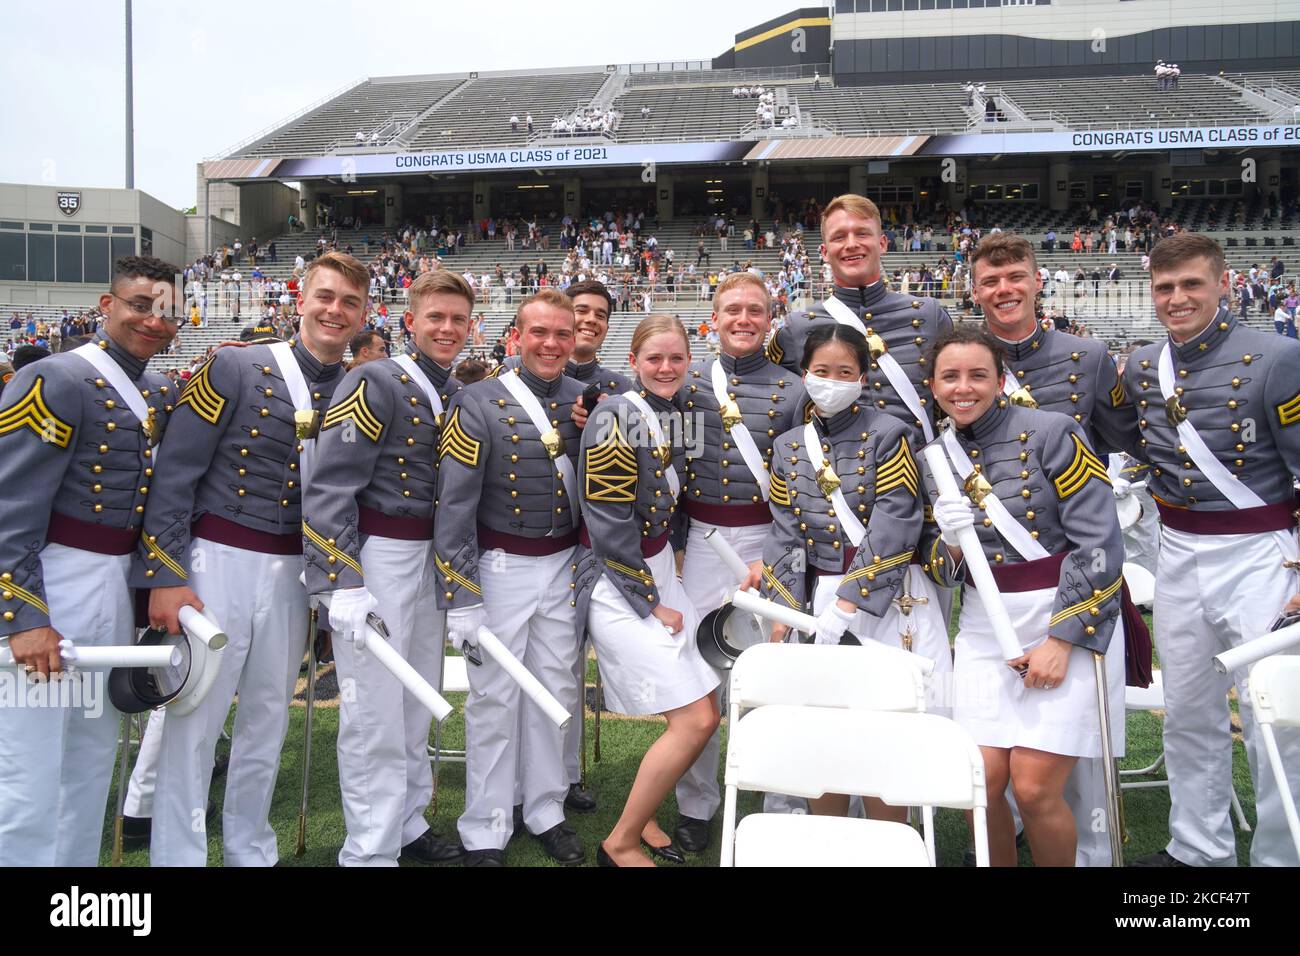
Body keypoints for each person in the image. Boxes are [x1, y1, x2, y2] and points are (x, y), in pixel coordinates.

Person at [139, 251, 368, 867]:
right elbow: (175, 475)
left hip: (296, 570)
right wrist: (166, 574)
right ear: (300, 300)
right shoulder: (236, 365)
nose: (334, 310)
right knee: (195, 715)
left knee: (268, 717)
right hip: (218, 561)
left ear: (364, 313)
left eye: (349, 302)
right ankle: (177, 856)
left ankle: (250, 849)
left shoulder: (358, 387)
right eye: (324, 296)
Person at [1123, 234, 1300, 868]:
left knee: (1275, 714)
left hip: (1262, 554)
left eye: (1192, 284)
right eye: (1165, 287)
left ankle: (1283, 859)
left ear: (1224, 284)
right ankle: (1199, 851)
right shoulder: (1144, 366)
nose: (1178, 299)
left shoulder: (1278, 357)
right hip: (1177, 550)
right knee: (1190, 708)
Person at [0, 256, 180, 866]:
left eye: (167, 310)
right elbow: (11, 509)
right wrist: (25, 618)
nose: (154, 321)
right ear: (107, 306)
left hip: (111, 586)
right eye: (139, 305)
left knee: (89, 760)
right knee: (29, 769)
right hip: (54, 582)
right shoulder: (55, 378)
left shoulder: (158, 388)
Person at [927, 325, 1125, 867]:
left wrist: (1062, 640)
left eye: (977, 375)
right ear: (933, 384)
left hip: (1063, 614)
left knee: (1035, 788)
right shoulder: (934, 457)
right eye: (950, 376)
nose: (963, 387)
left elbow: (1100, 544)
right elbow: (943, 573)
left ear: (1000, 380)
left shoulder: (1054, 430)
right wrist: (946, 540)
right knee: (979, 784)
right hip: (985, 630)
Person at [971, 233, 1140, 865]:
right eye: (990, 280)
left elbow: (1124, 436)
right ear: (975, 289)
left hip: (1077, 563)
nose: (1004, 289)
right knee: (995, 771)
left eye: (1015, 275)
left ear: (1039, 281)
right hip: (1001, 575)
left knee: (1076, 768)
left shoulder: (1088, 356)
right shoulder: (969, 361)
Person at [303, 271, 473, 867]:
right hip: (378, 557)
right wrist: (342, 581)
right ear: (410, 322)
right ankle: (368, 851)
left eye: (458, 319)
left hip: (429, 559)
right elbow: (329, 488)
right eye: (436, 318)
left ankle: (406, 823)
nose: (447, 328)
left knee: (414, 702)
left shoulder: (452, 390)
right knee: (373, 711)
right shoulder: (372, 380)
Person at [434, 289, 586, 867]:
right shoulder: (476, 400)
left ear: (574, 341)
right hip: (498, 569)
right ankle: (486, 825)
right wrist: (463, 592)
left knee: (555, 691)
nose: (551, 344)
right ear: (515, 339)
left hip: (564, 564)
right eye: (539, 333)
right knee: (494, 697)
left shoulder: (589, 398)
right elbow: (454, 504)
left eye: (562, 334)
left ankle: (545, 806)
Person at [761, 324, 937, 818]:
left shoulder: (890, 433)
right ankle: (829, 840)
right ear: (804, 374)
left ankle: (885, 843)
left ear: (862, 377)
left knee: (883, 732)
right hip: (815, 598)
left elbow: (896, 520)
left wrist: (849, 600)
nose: (832, 380)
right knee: (822, 733)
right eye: (821, 371)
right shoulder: (789, 445)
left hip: (881, 598)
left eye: (844, 372)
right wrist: (784, 610)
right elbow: (784, 533)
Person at [575, 315, 721, 866]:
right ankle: (619, 842)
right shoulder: (617, 413)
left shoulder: (682, 411)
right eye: (654, 359)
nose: (666, 368)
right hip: (621, 581)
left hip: (661, 567)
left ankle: (645, 808)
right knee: (696, 719)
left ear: (690, 362)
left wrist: (675, 566)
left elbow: (677, 495)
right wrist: (651, 599)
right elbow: (609, 519)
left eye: (676, 359)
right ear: (632, 362)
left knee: (703, 702)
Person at [672, 272, 809, 850]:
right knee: (702, 671)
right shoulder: (689, 384)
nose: (743, 320)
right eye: (732, 310)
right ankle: (697, 805)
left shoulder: (796, 388)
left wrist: (783, 552)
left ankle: (783, 800)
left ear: (770, 318)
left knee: (779, 672)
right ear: (715, 316)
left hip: (773, 539)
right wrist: (676, 550)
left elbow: (803, 480)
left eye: (755, 310)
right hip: (704, 540)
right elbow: (676, 468)